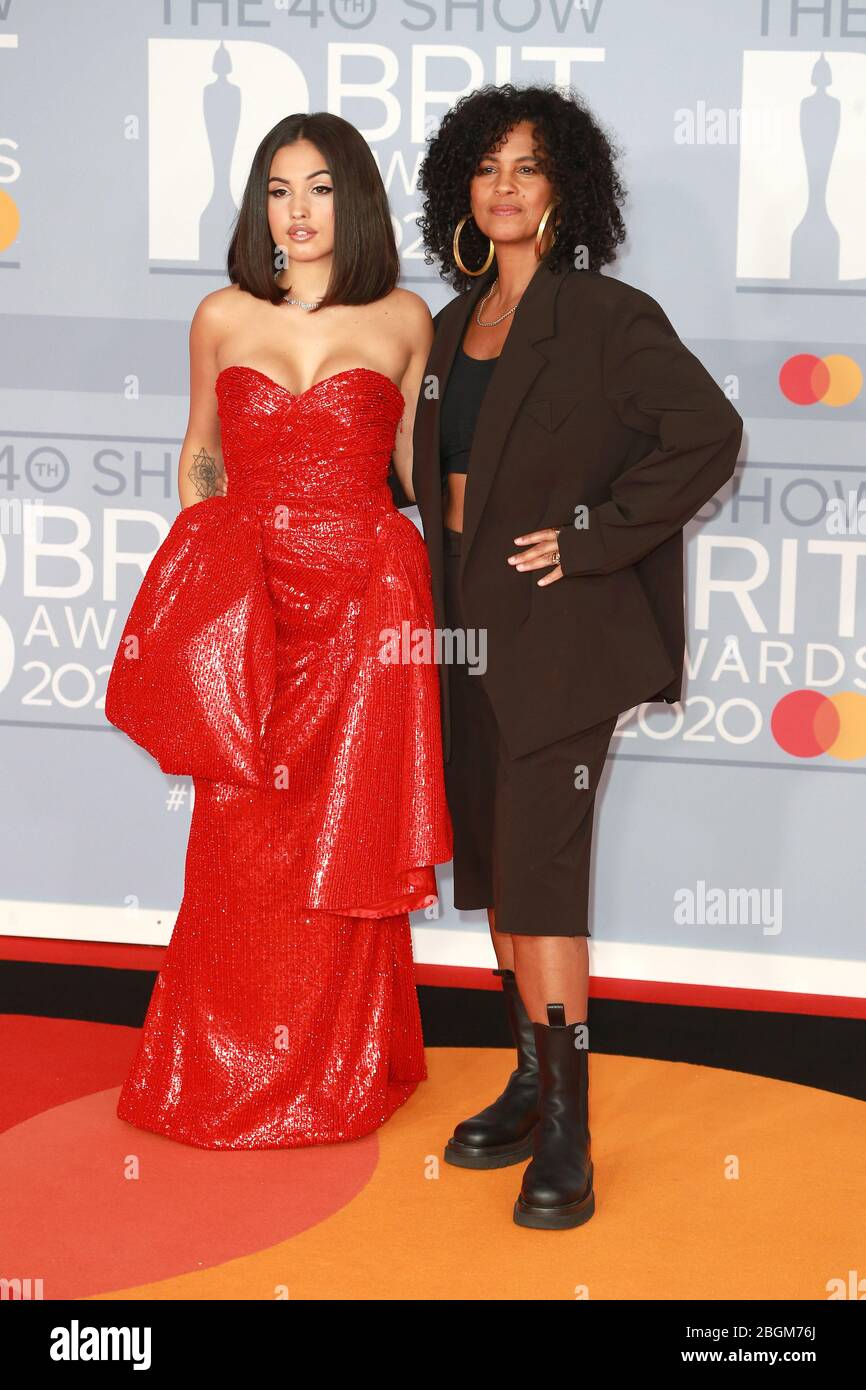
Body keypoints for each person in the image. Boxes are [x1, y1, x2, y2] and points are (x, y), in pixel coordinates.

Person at [403, 83, 743, 1228]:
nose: (502, 186)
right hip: (466, 637)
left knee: (542, 885)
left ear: (565, 189)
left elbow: (708, 433)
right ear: (462, 186)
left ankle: (569, 1132)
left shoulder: (605, 316)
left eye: (527, 167)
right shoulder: (450, 326)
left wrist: (594, 535)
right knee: (498, 875)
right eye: (485, 167)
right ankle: (527, 1076)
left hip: (558, 646)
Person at [105, 112, 452, 1148]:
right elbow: (202, 456)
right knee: (239, 834)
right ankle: (221, 1063)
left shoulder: (403, 318)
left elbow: (415, 473)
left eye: (317, 189)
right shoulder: (219, 316)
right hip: (250, 609)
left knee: (347, 833)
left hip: (361, 611)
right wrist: (205, 576)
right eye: (274, 191)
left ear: (354, 200)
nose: (295, 212)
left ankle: (336, 1067)